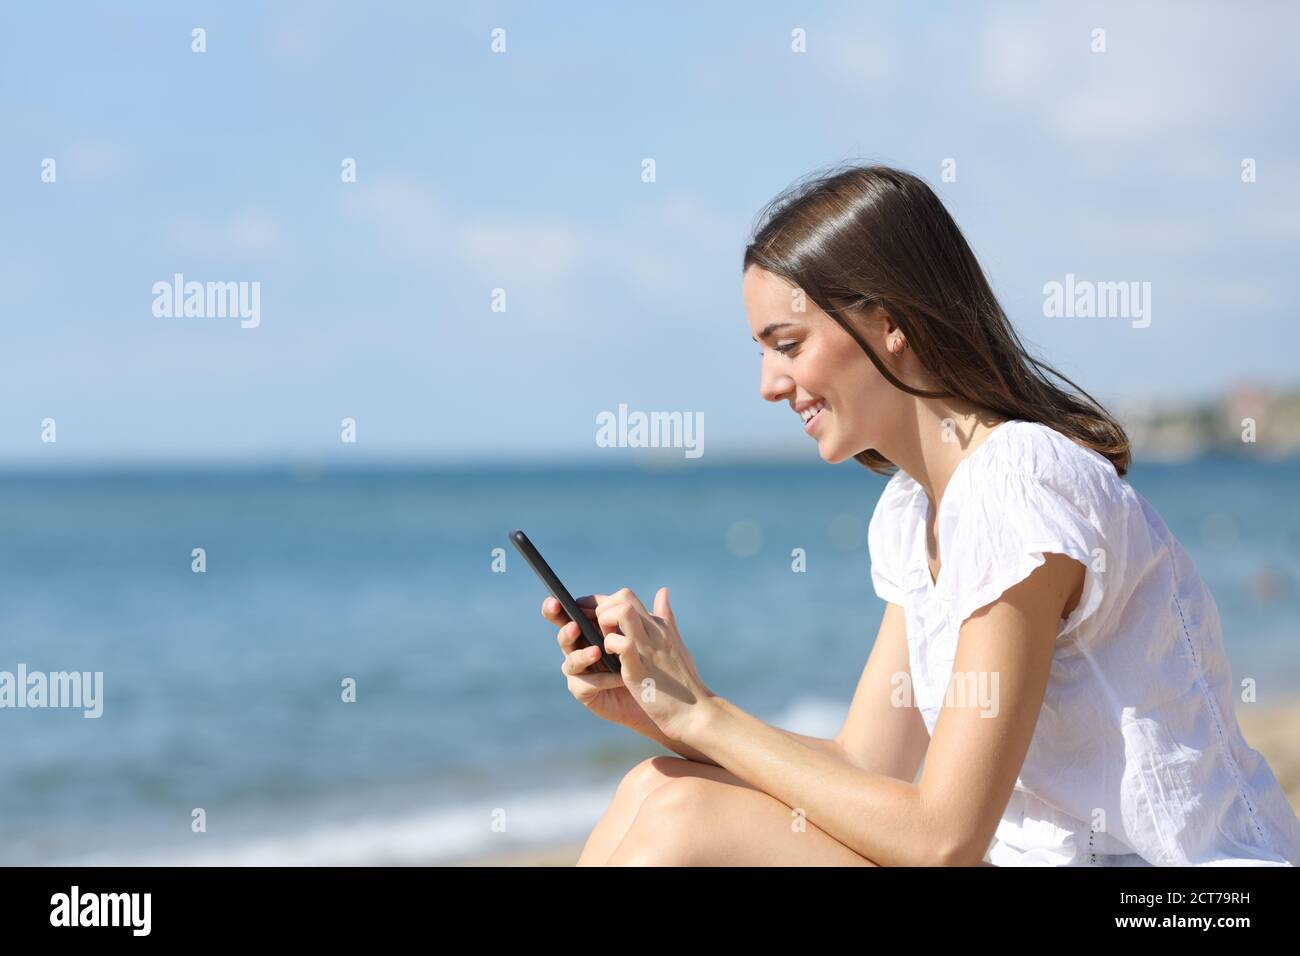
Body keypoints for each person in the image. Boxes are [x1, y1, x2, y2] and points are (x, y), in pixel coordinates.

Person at [541, 163, 1300, 866]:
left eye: (789, 344)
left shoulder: (1017, 486)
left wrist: (706, 714)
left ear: (890, 322)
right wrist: (664, 710)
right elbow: (865, 767)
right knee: (655, 786)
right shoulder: (916, 511)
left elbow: (944, 839)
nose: (769, 384)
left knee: (683, 819)